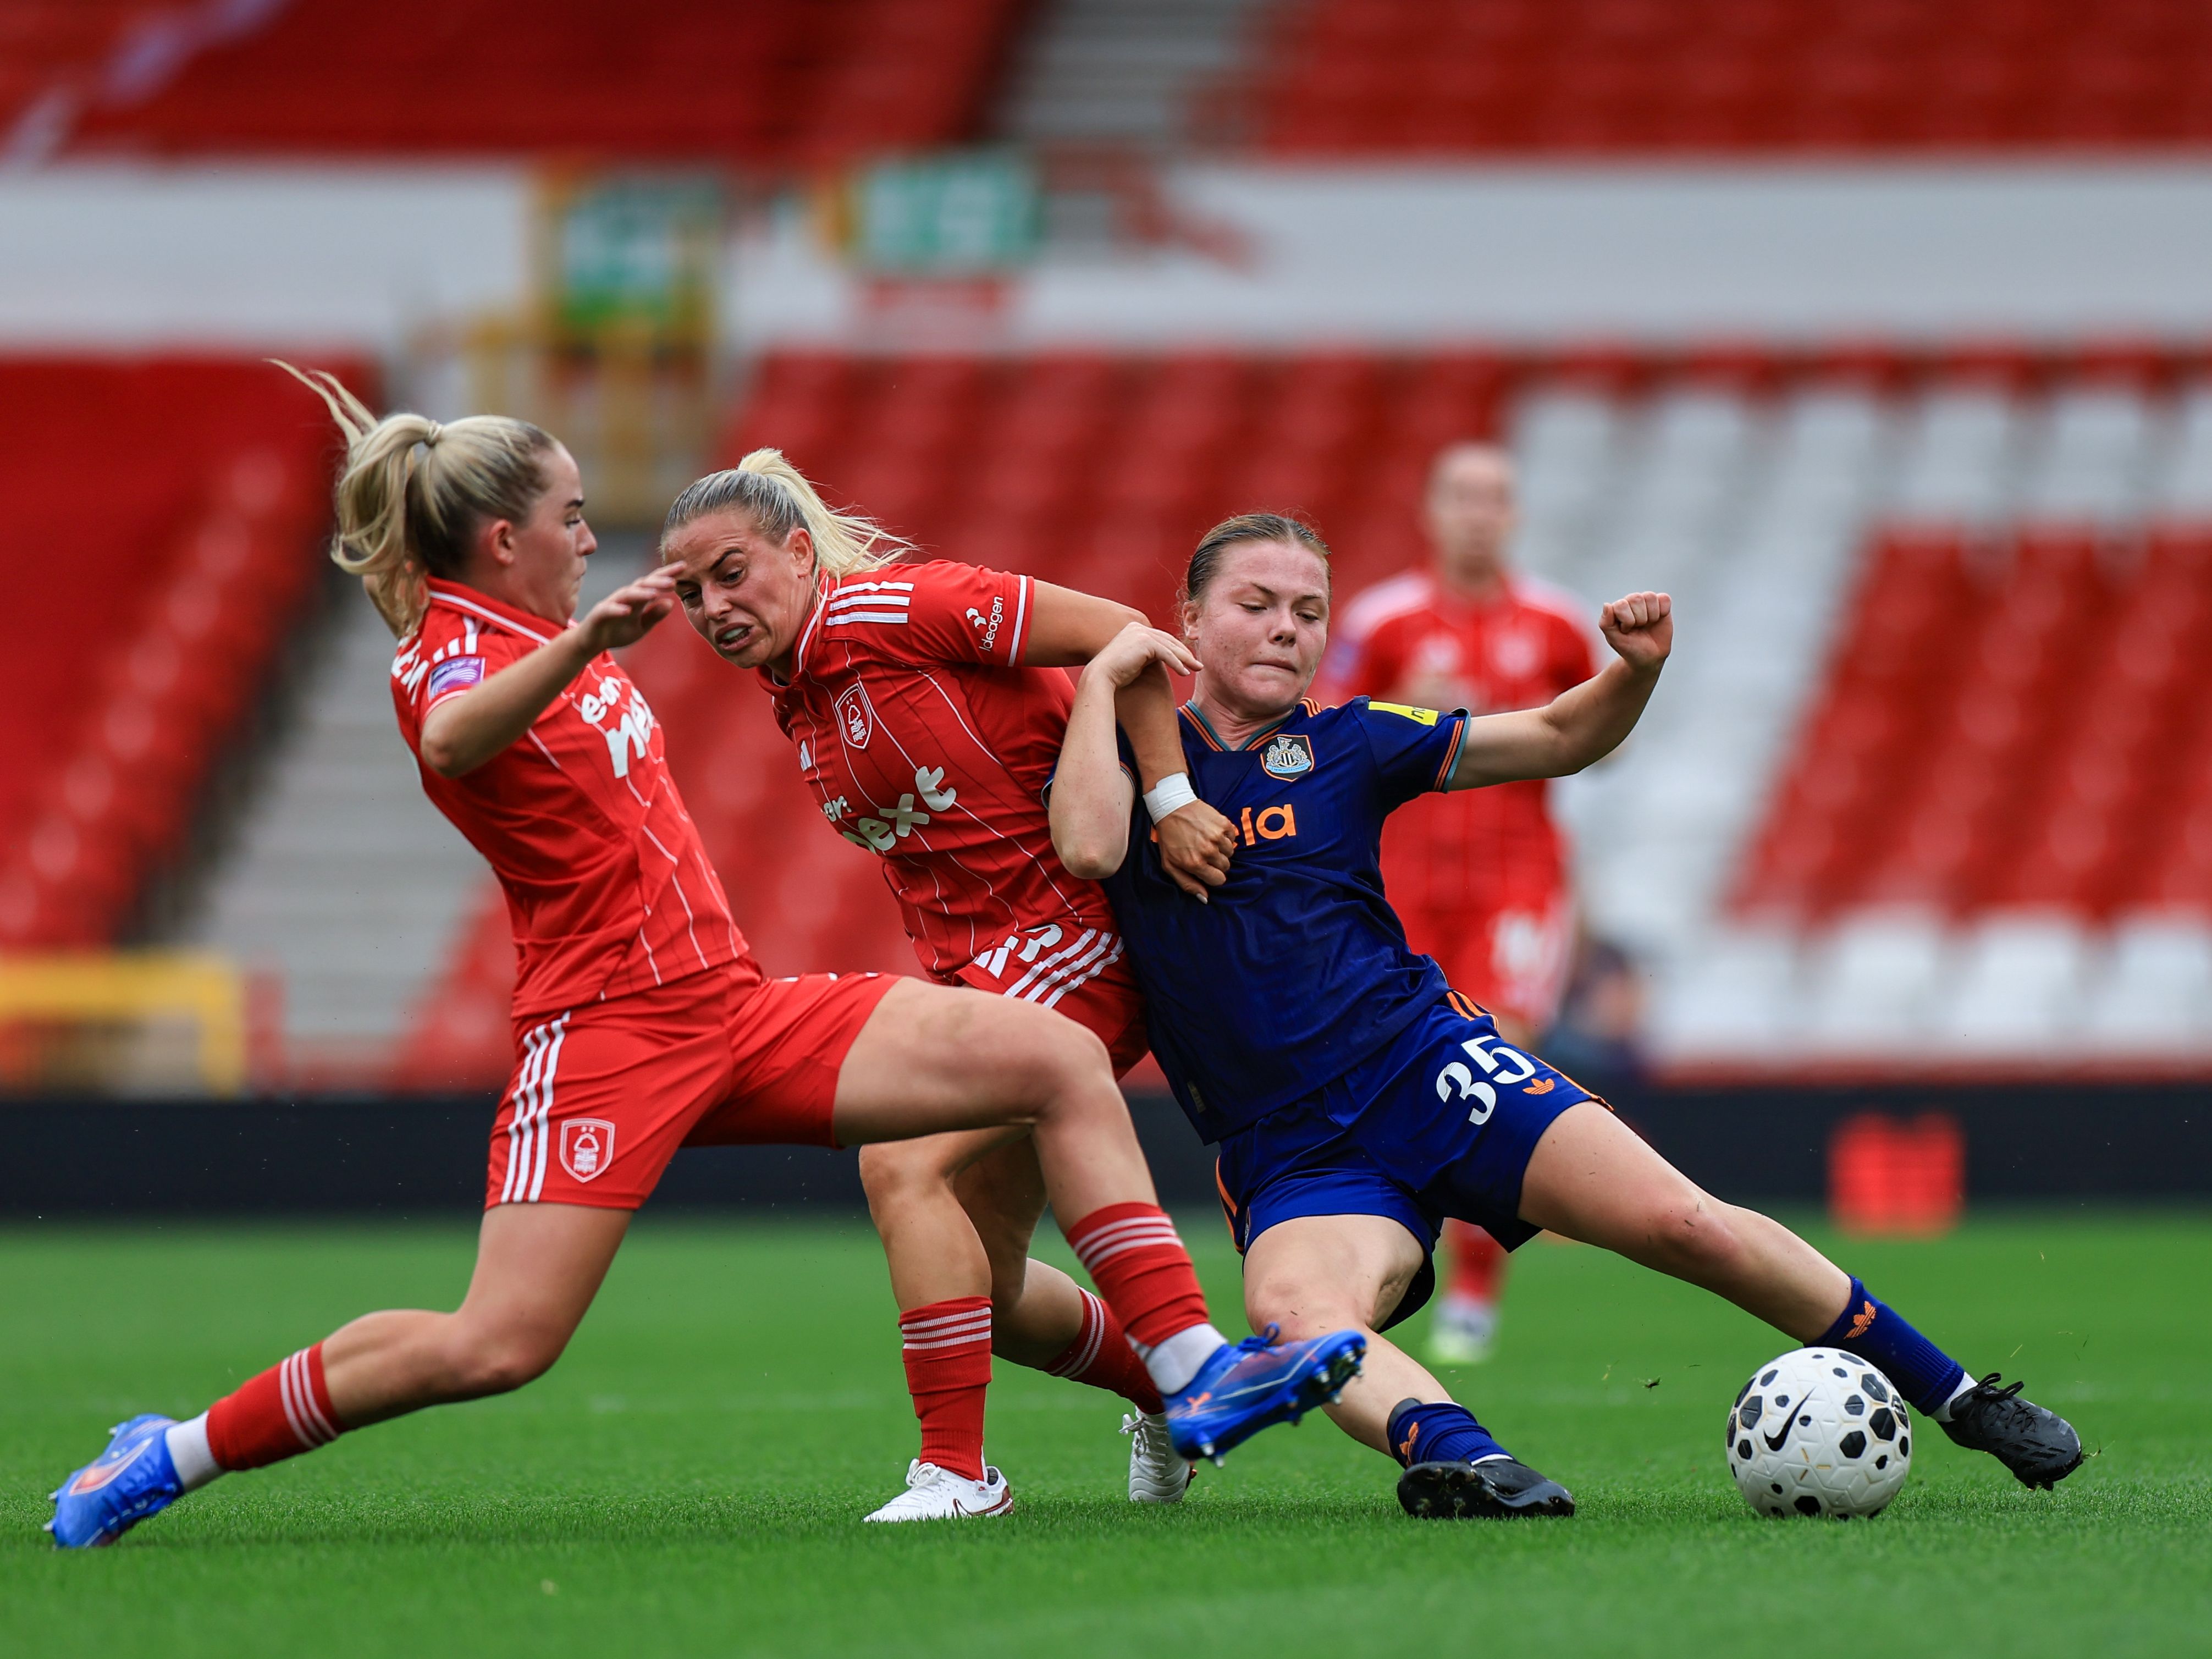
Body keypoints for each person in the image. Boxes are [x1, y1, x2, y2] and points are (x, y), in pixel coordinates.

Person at [43, 381, 1362, 1548]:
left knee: (1056, 1060)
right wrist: (581, 646)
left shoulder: (781, 636)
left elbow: (1084, 644)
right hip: (605, 1034)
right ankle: (169, 1452)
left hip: (730, 1008)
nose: (588, 536)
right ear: (505, 541)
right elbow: (449, 743)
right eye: (569, 513)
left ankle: (1189, 1370)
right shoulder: (456, 644)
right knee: (496, 1344)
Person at [1047, 511, 2084, 1518]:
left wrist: (1633, 672)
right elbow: (1089, 846)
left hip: (1429, 1065)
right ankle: (1473, 1464)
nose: (1286, 627)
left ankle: (1959, 1397)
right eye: (1257, 603)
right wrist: (1118, 706)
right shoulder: (1129, 754)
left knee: (1689, 1223)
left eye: (1308, 611)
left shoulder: (1354, 741)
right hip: (1293, 1146)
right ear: (1186, 620)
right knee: (1295, 1321)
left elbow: (1555, 734)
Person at [659, 451, 1244, 1517]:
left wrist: (1165, 797)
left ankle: (959, 1471)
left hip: (1072, 944)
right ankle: (1169, 1397)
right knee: (993, 1285)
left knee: (898, 1166)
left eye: (731, 573)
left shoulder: (901, 607)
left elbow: (1122, 633)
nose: (712, 605)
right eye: (691, 590)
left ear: (799, 552)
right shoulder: (794, 691)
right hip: (970, 972)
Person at [1320, 442, 1597, 1366]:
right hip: (1402, 880)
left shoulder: (1556, 624)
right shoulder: (1383, 619)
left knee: (1500, 1055)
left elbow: (1599, 731)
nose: (1479, 515)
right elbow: (1318, 725)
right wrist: (1400, 702)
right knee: (1407, 1068)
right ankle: (1409, 1255)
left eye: (1496, 499)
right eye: (1463, 498)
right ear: (1431, 512)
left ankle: (1478, 1288)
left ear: (1513, 515)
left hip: (1517, 877)